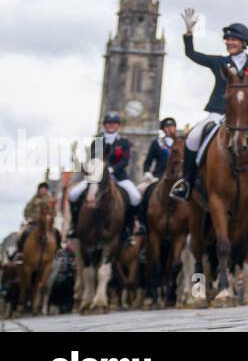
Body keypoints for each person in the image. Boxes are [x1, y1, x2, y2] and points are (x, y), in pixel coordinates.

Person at [171, 9, 248, 202]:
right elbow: (191, 54)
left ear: (244, 43)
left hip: (247, 116)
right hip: (218, 112)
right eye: (227, 40)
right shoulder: (219, 62)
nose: (229, 43)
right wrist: (189, 34)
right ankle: (187, 182)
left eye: (233, 40)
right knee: (193, 138)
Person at [67, 112, 142, 241]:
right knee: (73, 195)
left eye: (114, 123)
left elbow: (125, 160)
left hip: (118, 176)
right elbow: (90, 158)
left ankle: (127, 228)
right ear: (105, 125)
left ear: (118, 125)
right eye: (108, 123)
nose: (111, 126)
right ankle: (74, 225)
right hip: (96, 177)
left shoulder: (123, 142)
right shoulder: (97, 141)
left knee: (136, 197)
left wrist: (112, 169)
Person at [11, 182, 57, 263]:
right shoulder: (33, 200)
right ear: (39, 190)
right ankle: (20, 253)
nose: (43, 190)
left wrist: (50, 217)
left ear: (46, 190)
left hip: (46, 224)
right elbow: (26, 211)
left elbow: (54, 212)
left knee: (57, 233)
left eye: (44, 189)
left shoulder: (50, 200)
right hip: (34, 223)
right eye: (41, 189)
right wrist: (30, 218)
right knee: (22, 233)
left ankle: (58, 251)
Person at [142, 117, 177, 181]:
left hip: (176, 177)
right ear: (163, 129)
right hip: (158, 177)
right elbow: (148, 162)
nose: (170, 129)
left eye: (172, 126)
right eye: (167, 127)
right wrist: (147, 173)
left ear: (175, 128)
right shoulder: (156, 142)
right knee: (141, 189)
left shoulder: (180, 143)